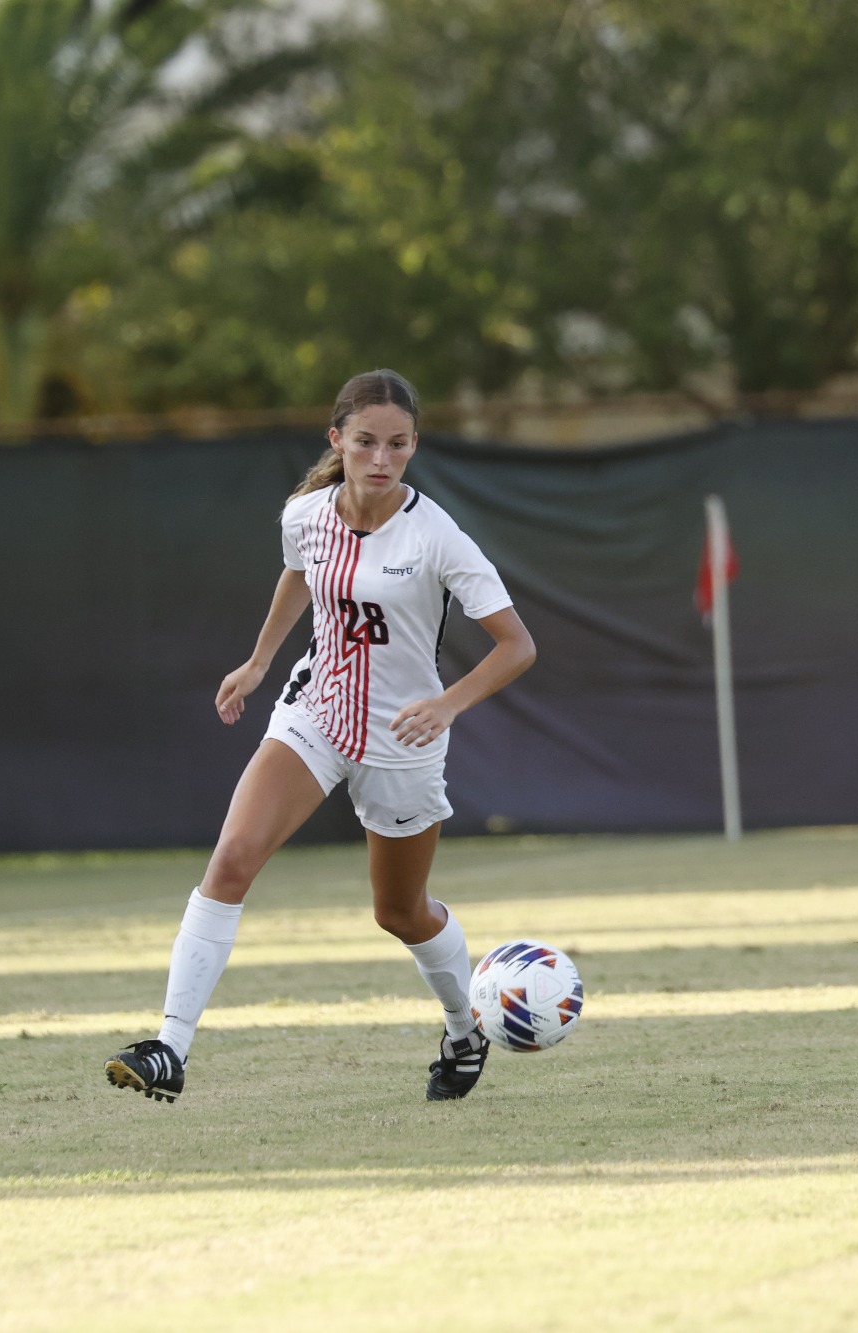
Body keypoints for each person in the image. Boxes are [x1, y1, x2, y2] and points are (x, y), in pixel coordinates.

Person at [105, 370, 537, 1104]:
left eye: (397, 444)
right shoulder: (306, 513)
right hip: (316, 712)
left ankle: (466, 1027)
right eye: (365, 441)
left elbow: (516, 644)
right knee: (233, 858)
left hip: (403, 736)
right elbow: (299, 576)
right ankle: (169, 1047)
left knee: (399, 911)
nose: (380, 457)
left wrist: (448, 704)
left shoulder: (436, 535)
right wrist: (259, 661)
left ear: (413, 447)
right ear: (337, 439)